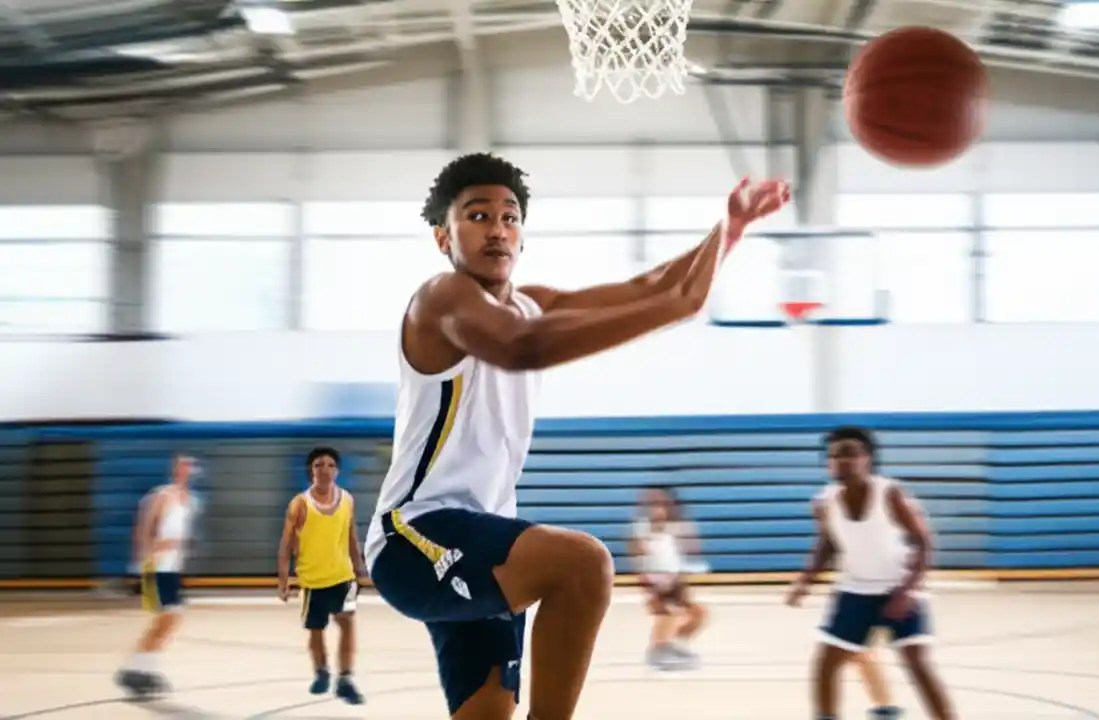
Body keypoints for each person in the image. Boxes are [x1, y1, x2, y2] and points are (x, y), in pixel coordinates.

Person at [363, 151, 790, 720]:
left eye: (510, 217)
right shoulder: (442, 297)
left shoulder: (532, 303)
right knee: (584, 564)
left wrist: (728, 229)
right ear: (444, 237)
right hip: (415, 537)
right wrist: (676, 306)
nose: (498, 229)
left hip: (481, 538)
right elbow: (523, 346)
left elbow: (651, 284)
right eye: (478, 216)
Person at [786, 426, 953, 720]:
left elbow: (923, 541)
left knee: (918, 664)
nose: (841, 460)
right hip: (855, 591)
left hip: (898, 587)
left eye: (850, 453)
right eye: (835, 455)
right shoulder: (825, 502)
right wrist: (805, 581)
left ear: (868, 458)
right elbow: (828, 543)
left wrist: (908, 590)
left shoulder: (889, 493)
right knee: (826, 665)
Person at [277, 447, 367, 705]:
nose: (324, 469)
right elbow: (285, 544)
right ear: (311, 471)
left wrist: (359, 571)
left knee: (348, 623)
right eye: (319, 465)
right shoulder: (299, 504)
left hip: (343, 577)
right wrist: (283, 581)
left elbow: (351, 537)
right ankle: (321, 672)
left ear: (337, 471)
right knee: (316, 630)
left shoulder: (347, 500)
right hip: (312, 581)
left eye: (330, 465)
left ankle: (346, 679)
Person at [114, 455, 200, 698]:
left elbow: (180, 535)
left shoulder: (190, 500)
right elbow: (143, 528)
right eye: (183, 466)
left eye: (190, 467)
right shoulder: (163, 495)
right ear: (175, 469)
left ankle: (140, 668)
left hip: (173, 567)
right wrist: (142, 560)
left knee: (170, 619)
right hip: (158, 566)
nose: (187, 470)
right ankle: (137, 669)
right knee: (167, 618)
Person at [630, 486, 709, 670]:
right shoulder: (642, 528)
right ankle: (658, 651)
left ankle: (671, 646)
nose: (657, 509)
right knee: (667, 616)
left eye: (661, 505)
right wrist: (648, 581)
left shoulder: (676, 527)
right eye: (653, 505)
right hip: (655, 579)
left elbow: (687, 549)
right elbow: (637, 554)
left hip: (675, 579)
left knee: (699, 614)